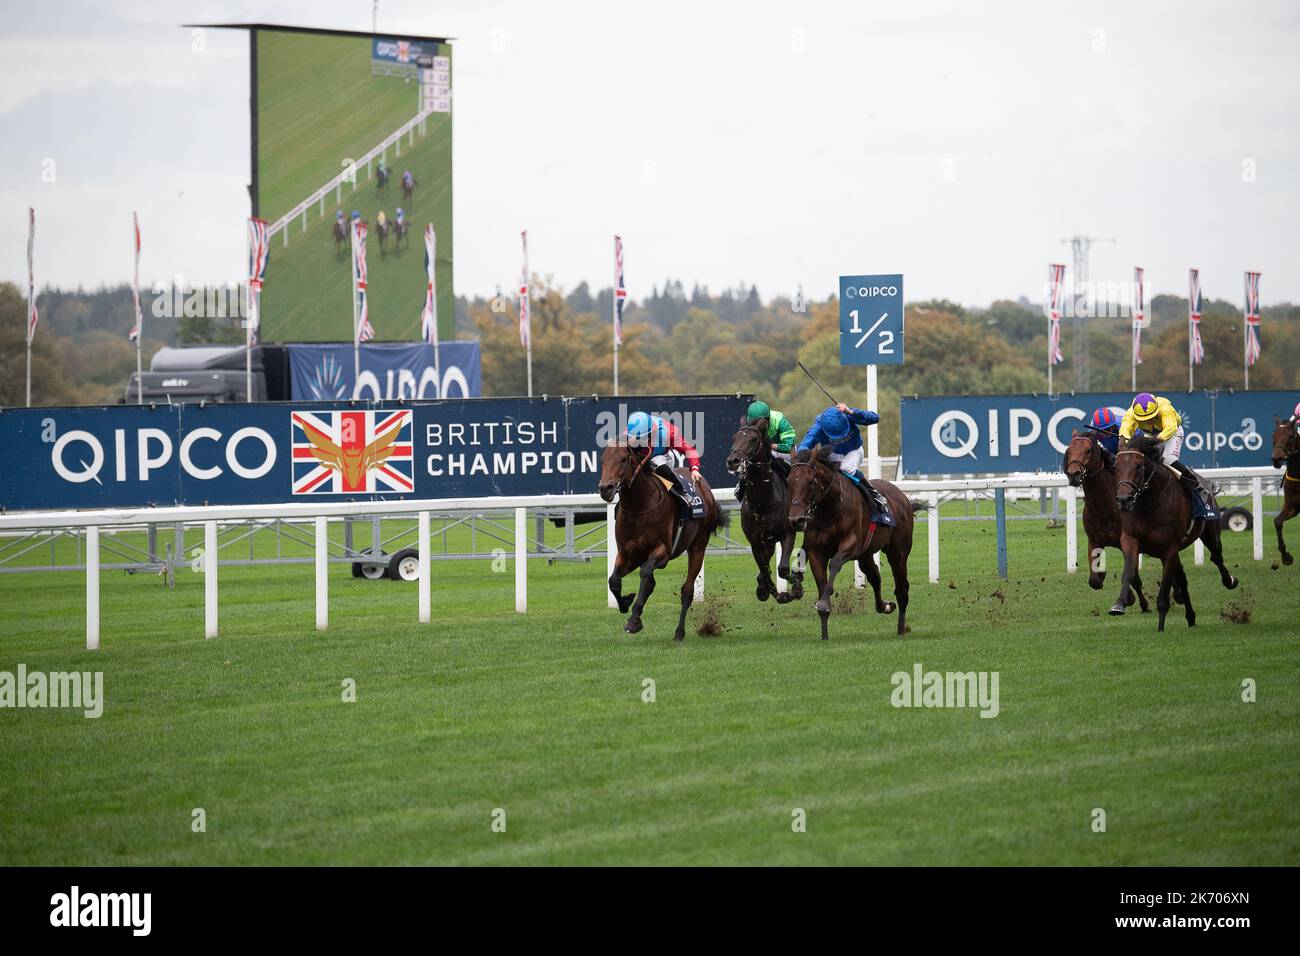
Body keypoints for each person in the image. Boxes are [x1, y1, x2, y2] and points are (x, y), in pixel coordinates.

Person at [1119, 392, 1217, 520]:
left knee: (1169, 459)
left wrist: (1154, 441)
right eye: (1144, 420)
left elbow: (1169, 429)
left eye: (1151, 417)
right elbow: (1125, 430)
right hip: (1150, 435)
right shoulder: (1130, 413)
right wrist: (1123, 441)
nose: (1148, 421)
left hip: (1172, 432)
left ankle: (1197, 485)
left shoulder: (1164, 406)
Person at [797, 402, 893, 526]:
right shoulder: (818, 426)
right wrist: (801, 456)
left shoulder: (846, 414)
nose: (840, 437)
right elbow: (805, 444)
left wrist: (851, 411)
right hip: (832, 454)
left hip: (854, 450)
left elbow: (875, 418)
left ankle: (874, 493)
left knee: (846, 468)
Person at [626, 411, 702, 504]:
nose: (635, 440)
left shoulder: (669, 432)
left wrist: (694, 468)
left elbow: (689, 449)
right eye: (633, 437)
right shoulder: (633, 428)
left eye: (640, 438)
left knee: (655, 463)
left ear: (650, 433)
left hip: (660, 455)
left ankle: (683, 493)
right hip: (641, 454)